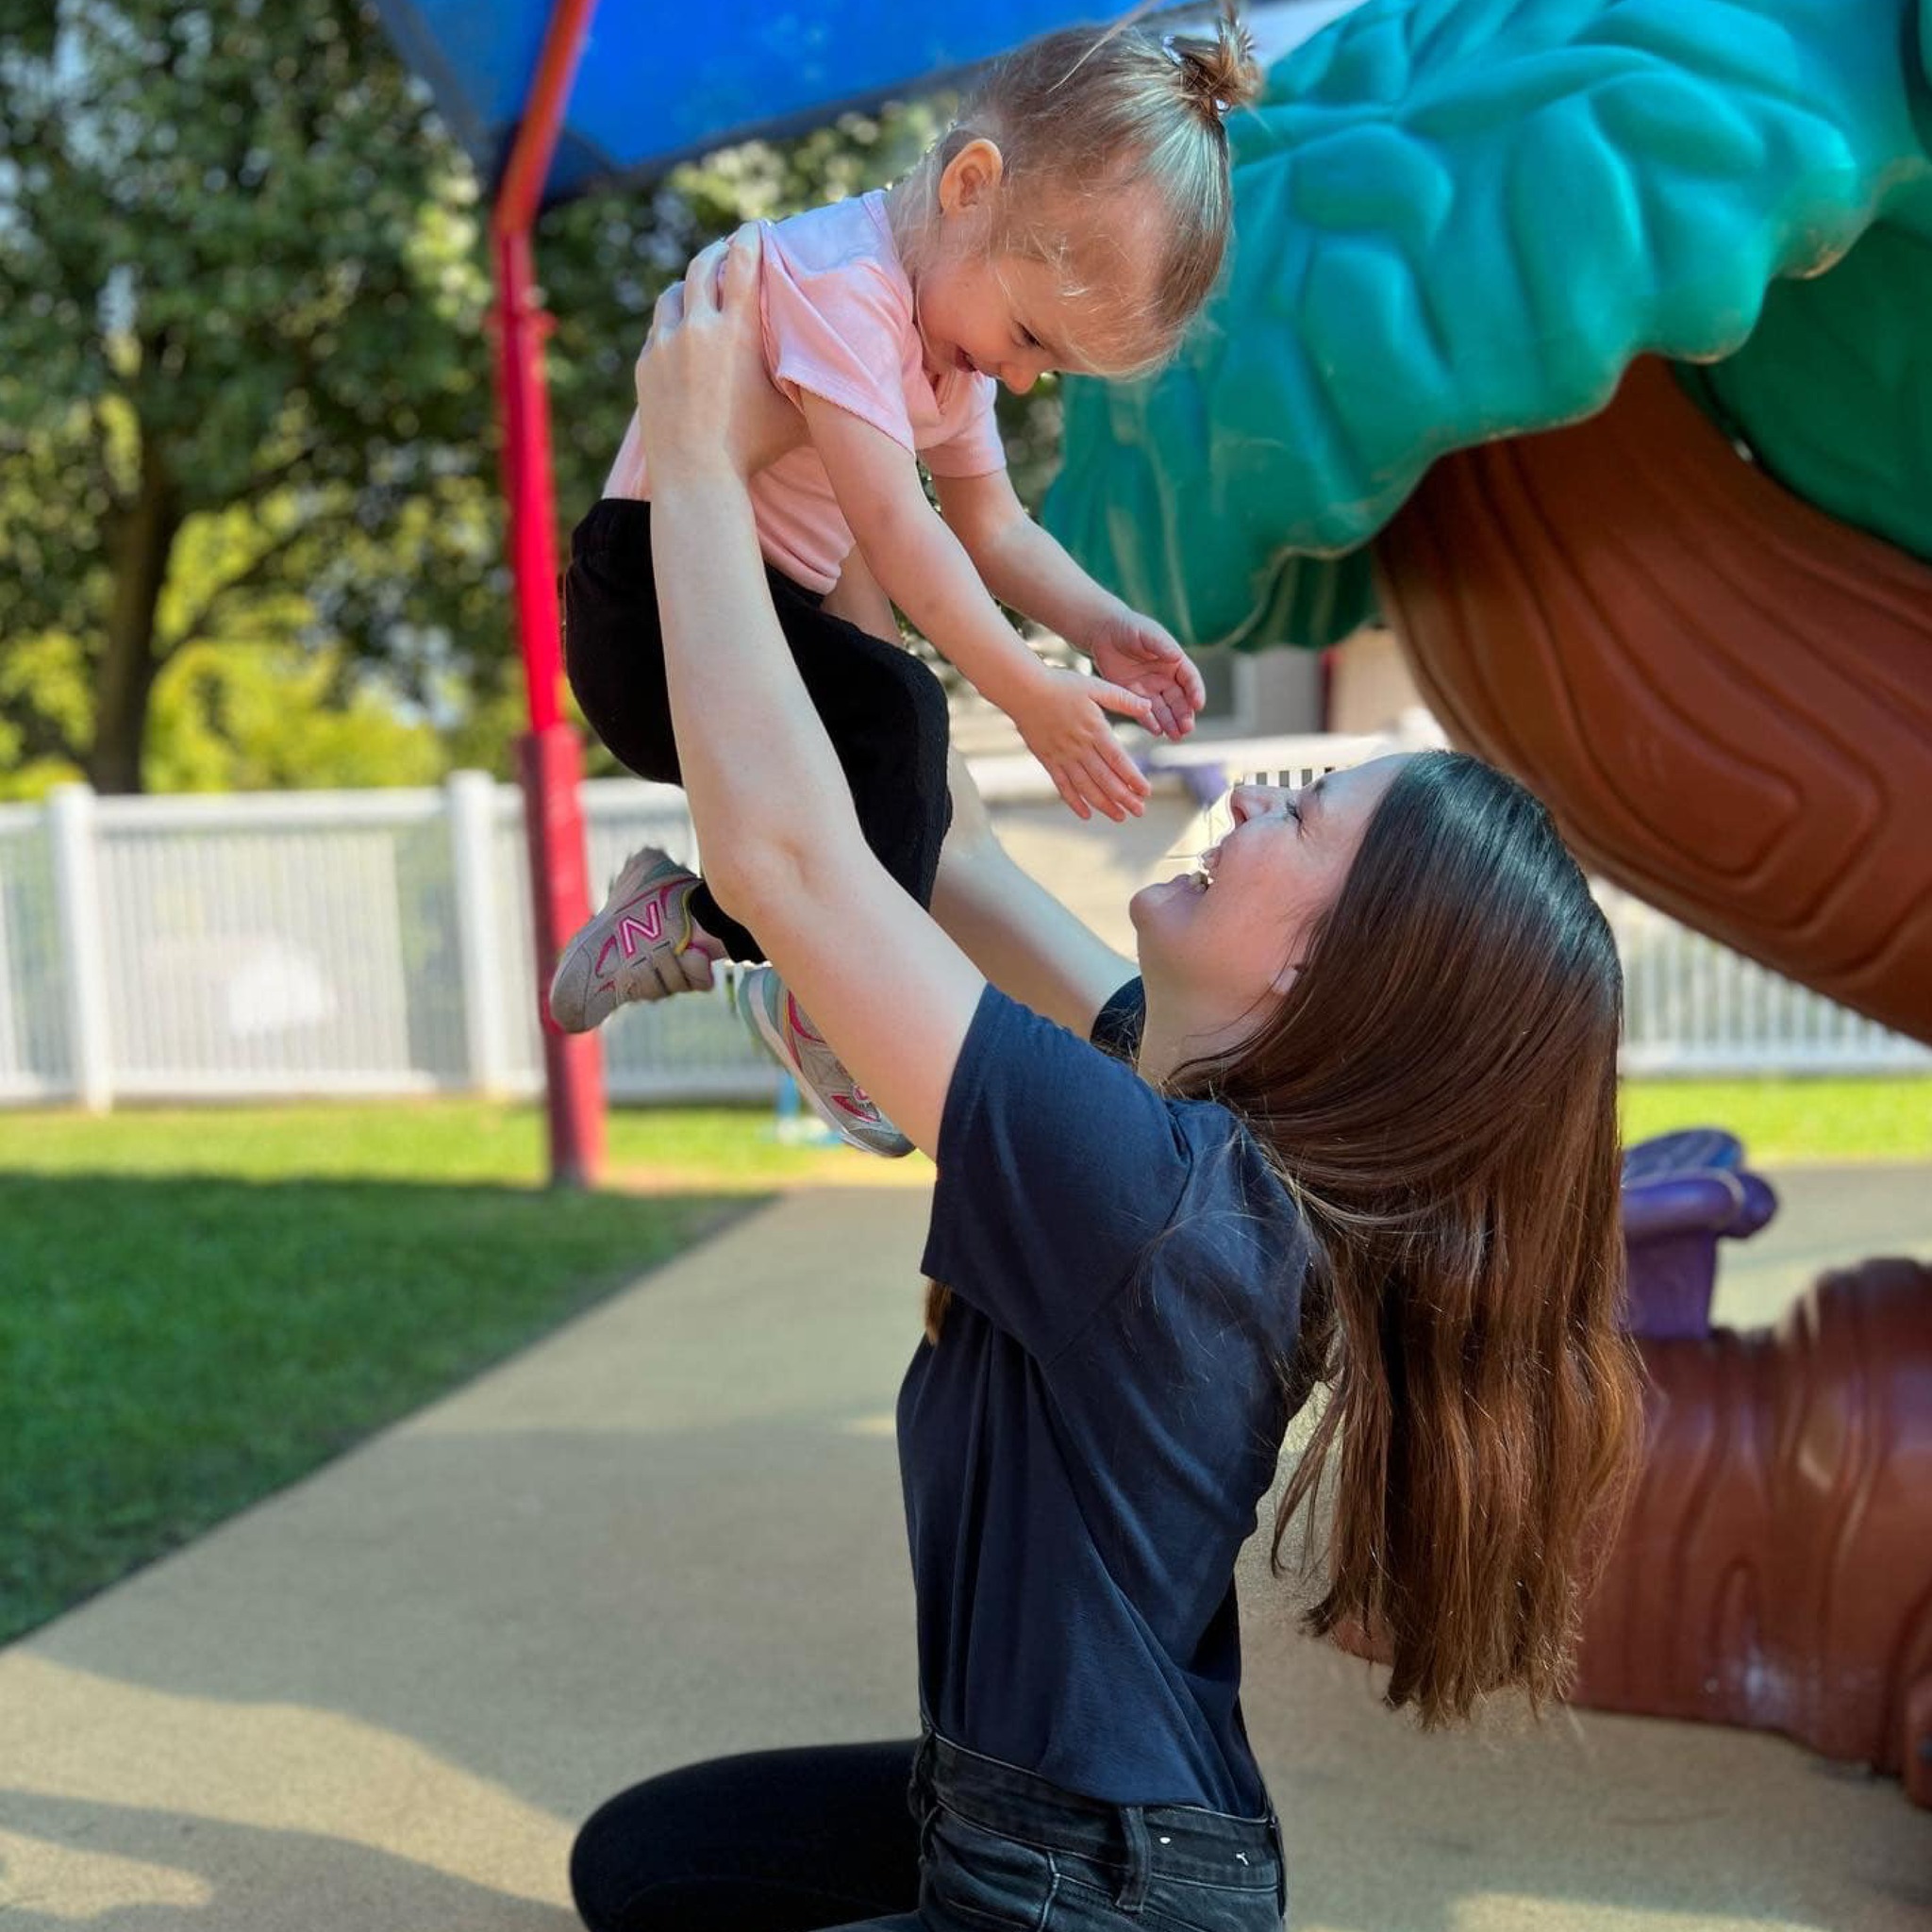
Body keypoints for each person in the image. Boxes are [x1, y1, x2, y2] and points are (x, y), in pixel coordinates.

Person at [566, 230, 1646, 1932]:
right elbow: (942, 859)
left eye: (1301, 818)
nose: (1248, 805)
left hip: (1085, 1889)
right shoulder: (1191, 1138)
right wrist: (863, 471)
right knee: (650, 1863)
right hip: (1058, 1828)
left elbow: (784, 860)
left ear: (1320, 975)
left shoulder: (1147, 1199)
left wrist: (690, 458)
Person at [547, 12, 1266, 1152]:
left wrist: (1101, 624)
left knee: (901, 758)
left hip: (758, 606)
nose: (1022, 380)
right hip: (645, 605)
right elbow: (900, 532)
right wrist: (1029, 692)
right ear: (970, 186)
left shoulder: (948, 336)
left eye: (1050, 366)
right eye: (1030, 336)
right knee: (904, 713)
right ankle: (823, 991)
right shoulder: (845, 285)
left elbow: (992, 523)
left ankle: (695, 922)